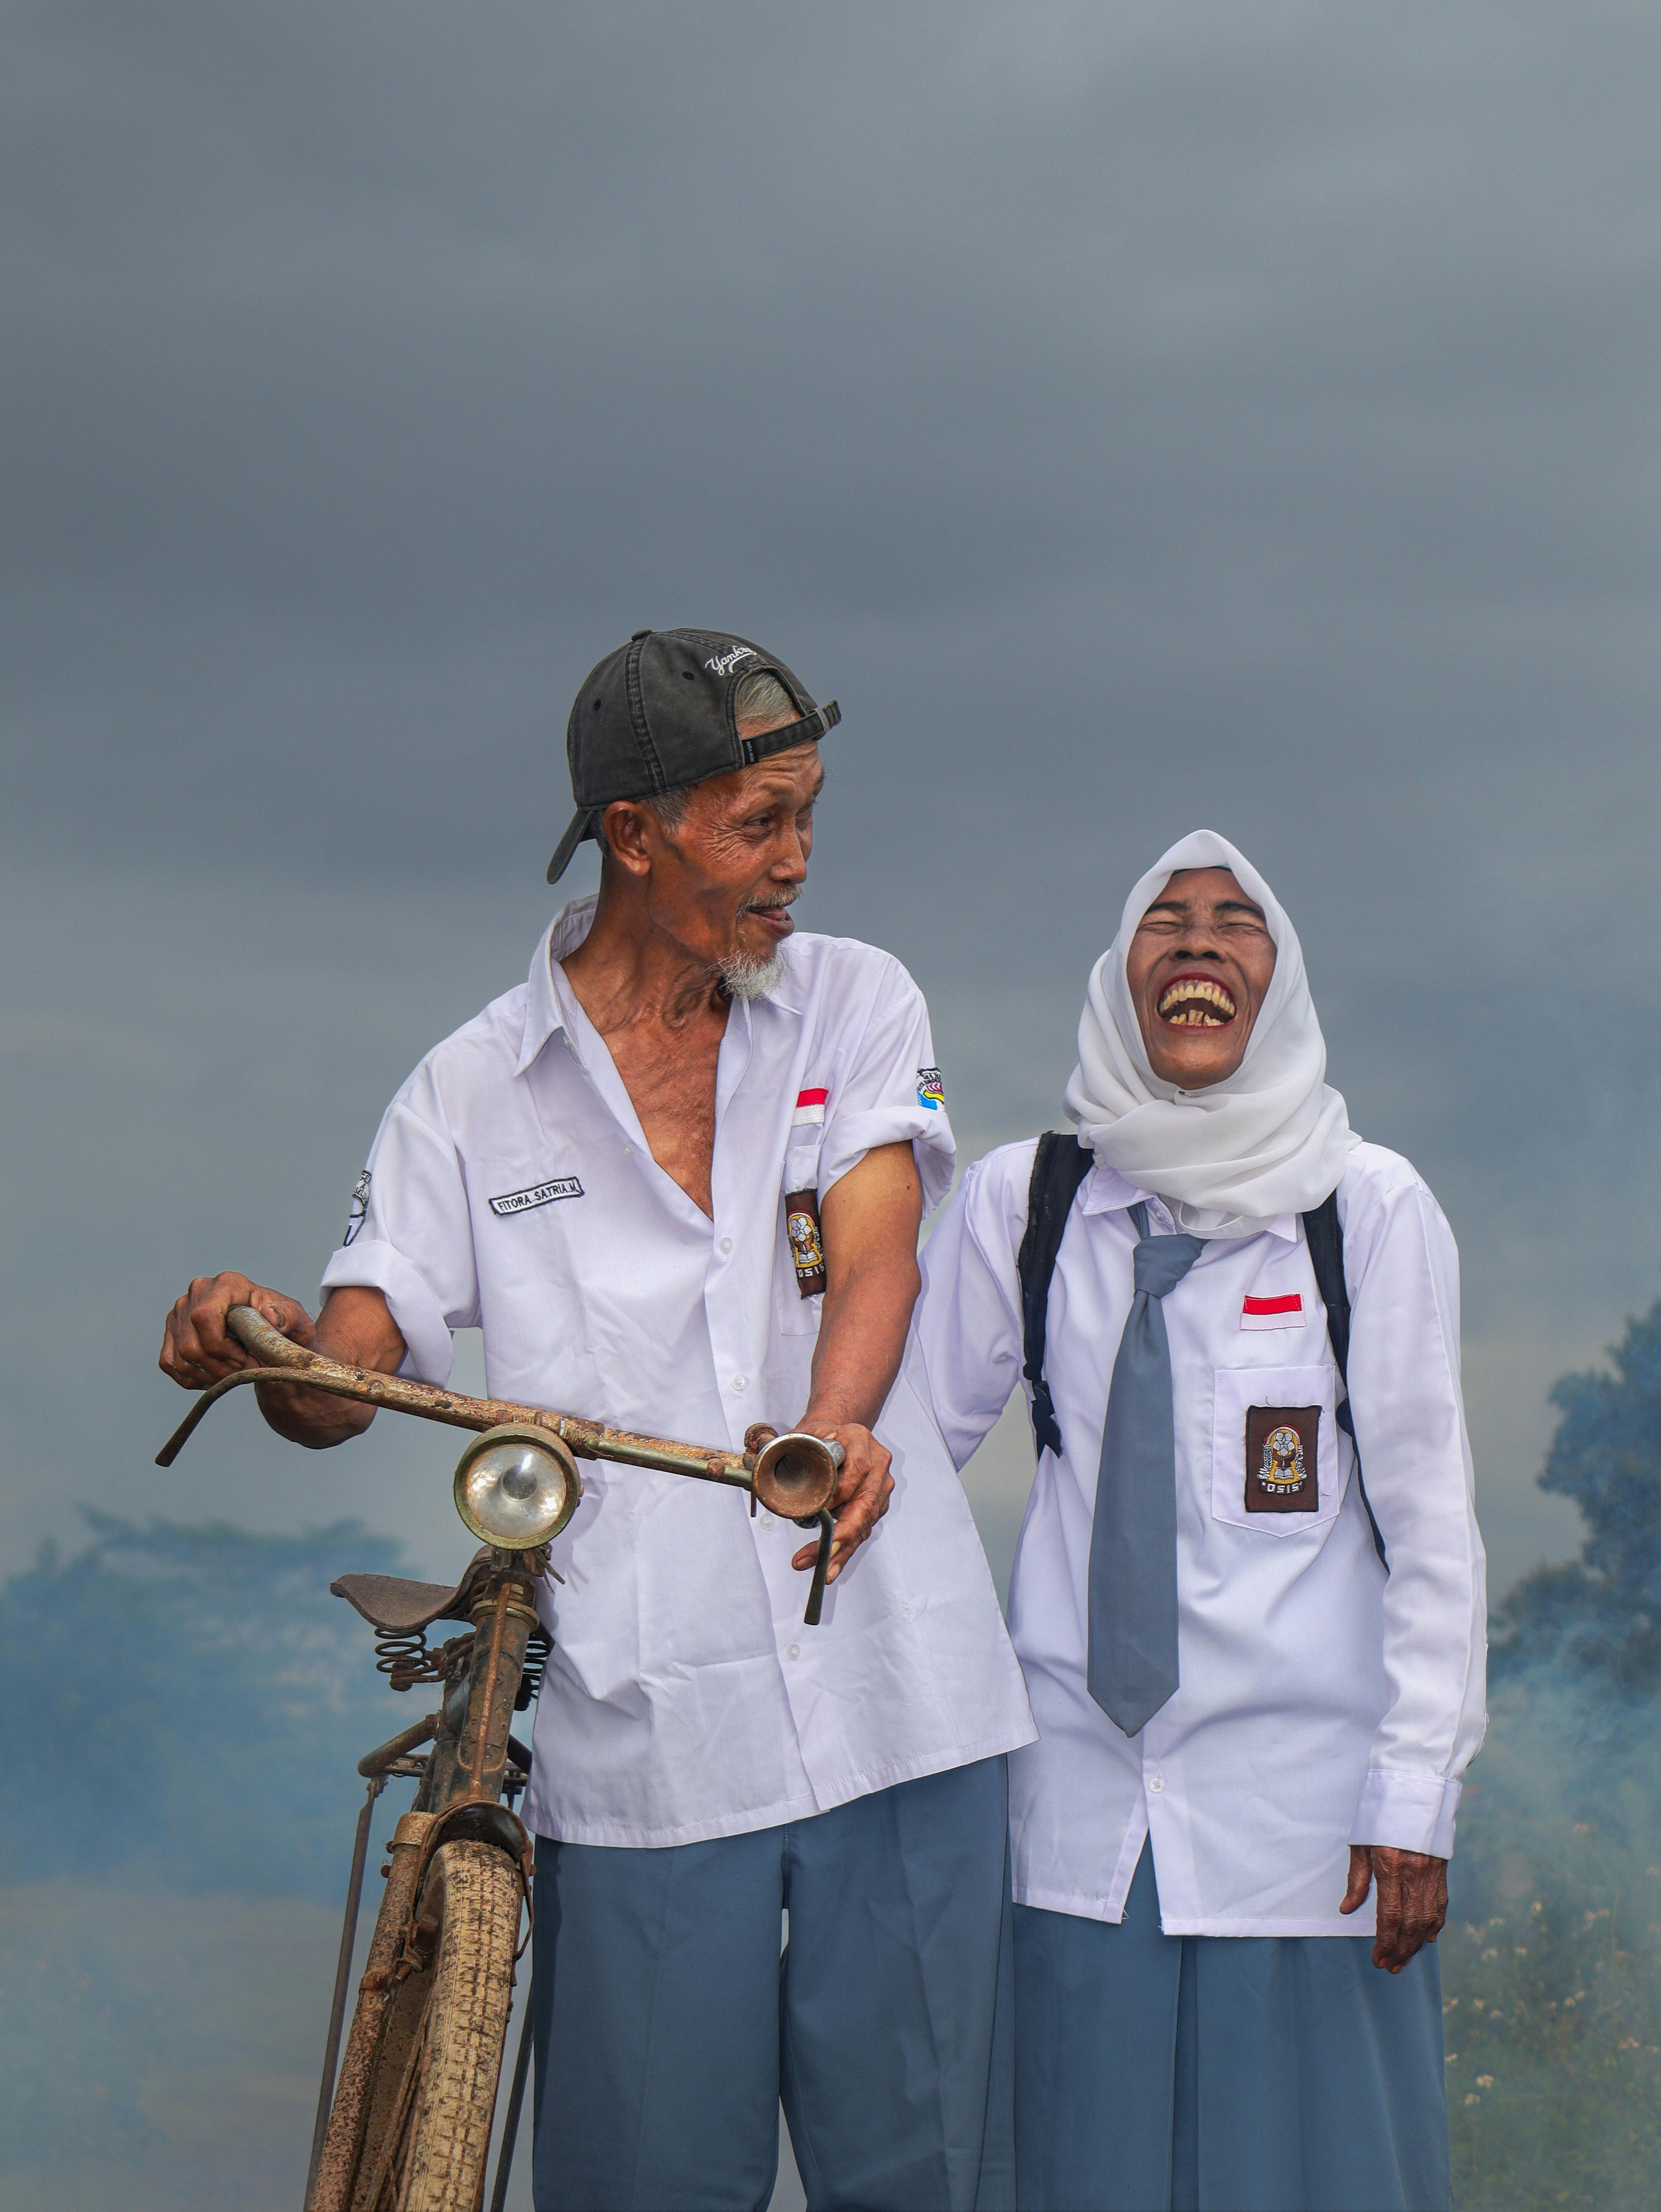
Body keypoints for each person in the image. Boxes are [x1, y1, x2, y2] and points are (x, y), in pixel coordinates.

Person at [159, 627, 1035, 2212]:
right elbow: (349, 1373)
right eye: (759, 823)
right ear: (636, 836)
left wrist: (833, 1431)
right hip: (651, 1759)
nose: (799, 862)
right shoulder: (470, 1092)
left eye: (808, 815)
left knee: (943, 2179)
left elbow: (876, 1247)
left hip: (906, 1711)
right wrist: (265, 1343)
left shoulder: (853, 998)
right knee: (646, 2184)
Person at [911, 830, 1486, 2212]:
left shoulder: (1366, 1211)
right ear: (1119, 978)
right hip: (1068, 1818)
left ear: (1275, 987)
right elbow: (903, 1471)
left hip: (1306, 1830)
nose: (1195, 943)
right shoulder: (1025, 1202)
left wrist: (1415, 1799)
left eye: (1236, 925)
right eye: (1162, 922)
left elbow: (1433, 1535)